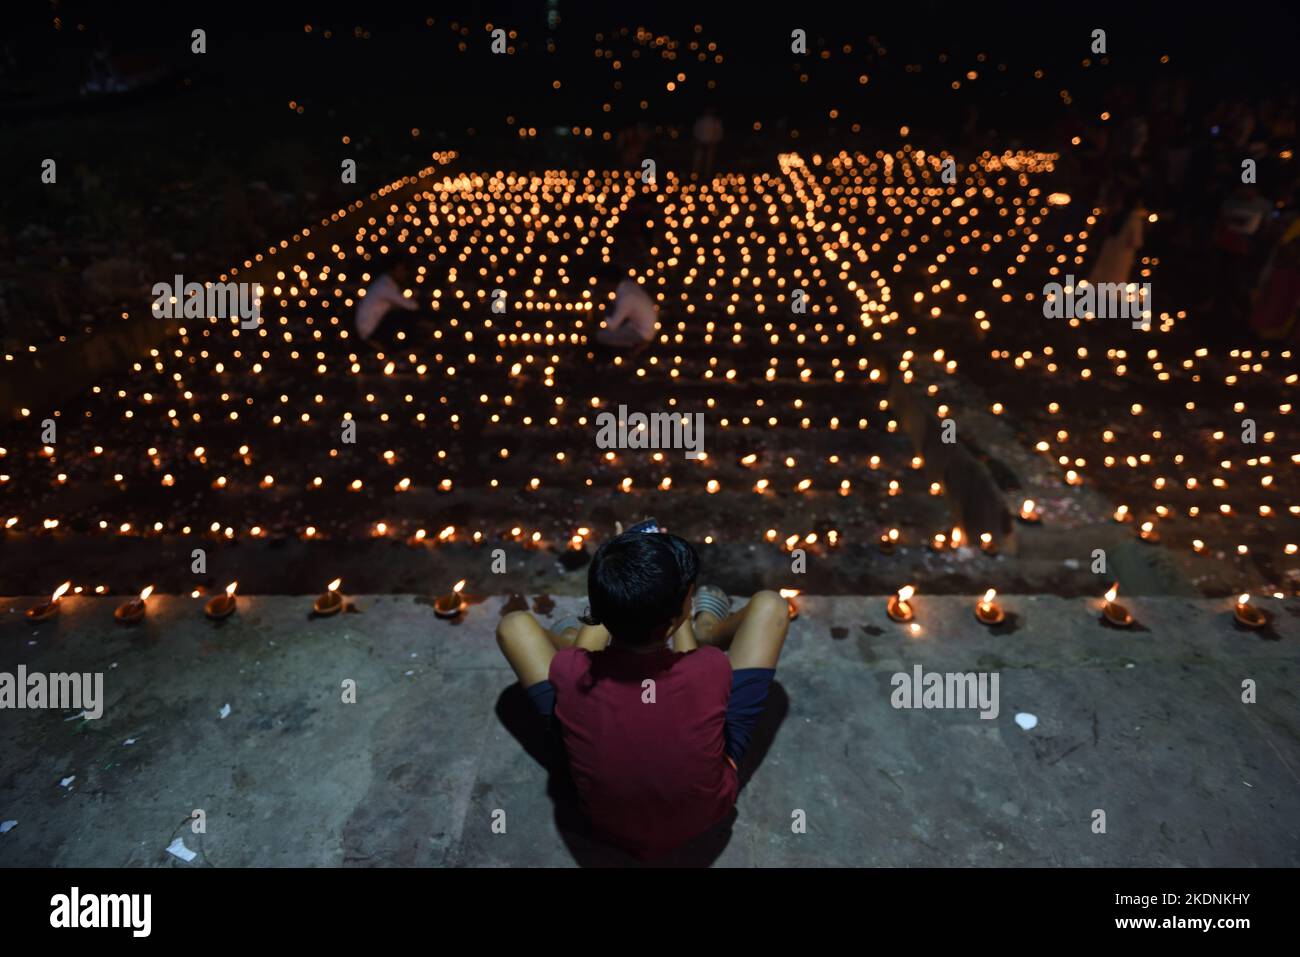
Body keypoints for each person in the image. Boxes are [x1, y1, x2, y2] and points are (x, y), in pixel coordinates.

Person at [495, 529, 789, 860]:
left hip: (605, 822)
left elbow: (579, 656)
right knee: (771, 605)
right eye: (687, 600)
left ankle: (577, 629)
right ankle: (705, 627)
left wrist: (616, 594)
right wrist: (680, 620)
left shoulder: (568, 669)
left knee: (514, 626)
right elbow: (688, 662)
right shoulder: (711, 667)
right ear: (674, 621)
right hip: (702, 816)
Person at [594, 265, 657, 353]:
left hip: (642, 333)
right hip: (637, 325)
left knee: (599, 336)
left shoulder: (626, 297)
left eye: (600, 283)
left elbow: (612, 325)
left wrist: (598, 312)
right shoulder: (627, 285)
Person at [355, 258, 418, 344]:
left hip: (373, 327)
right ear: (392, 270)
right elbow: (412, 306)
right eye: (401, 270)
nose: (404, 273)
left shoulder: (385, 283)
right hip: (369, 330)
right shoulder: (384, 286)